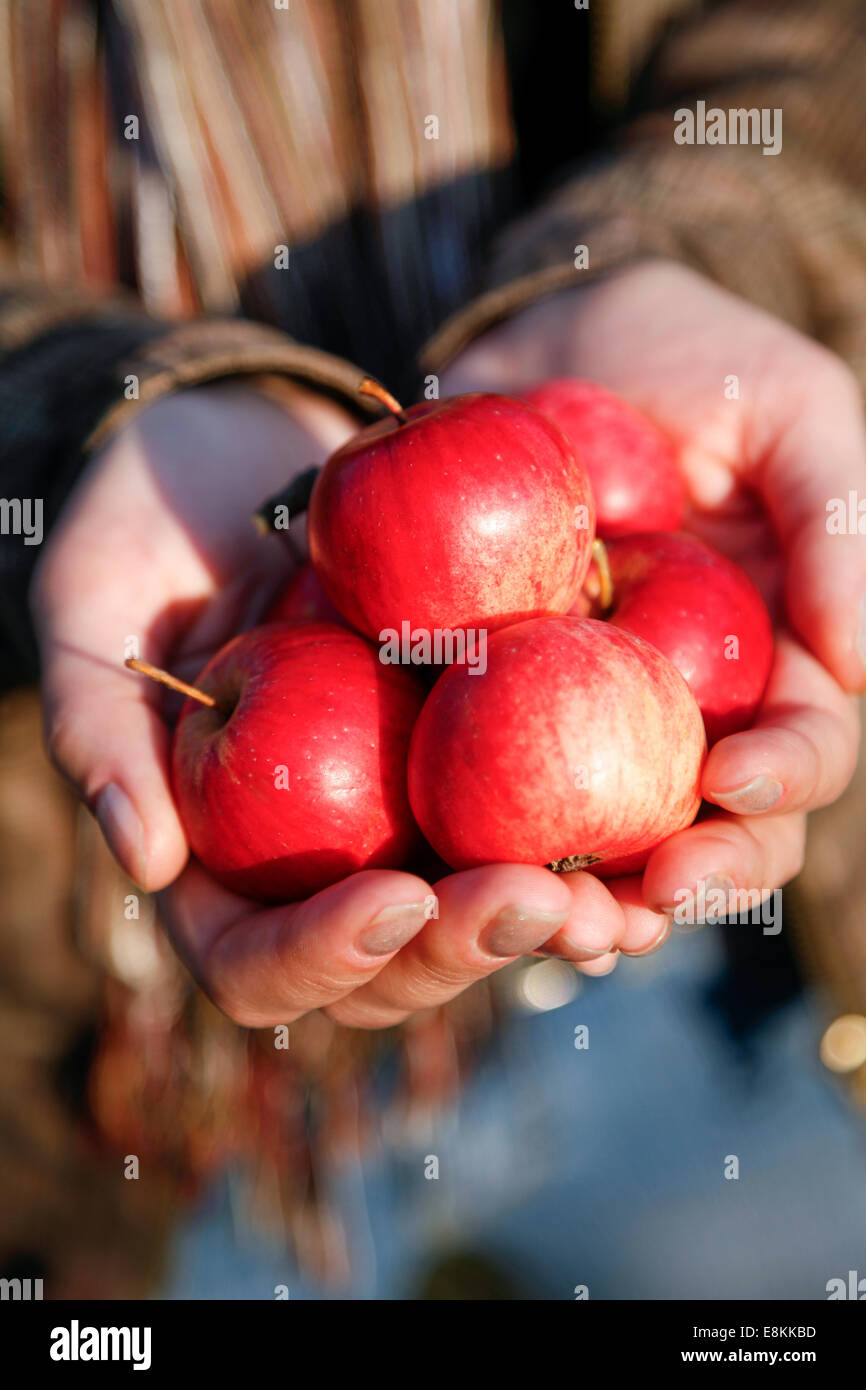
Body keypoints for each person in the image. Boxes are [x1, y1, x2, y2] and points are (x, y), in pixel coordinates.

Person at [1, 0, 865, 1290]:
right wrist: (72, 407)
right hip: (98, 1020)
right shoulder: (321, 581)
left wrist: (691, 243)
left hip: (730, 957)